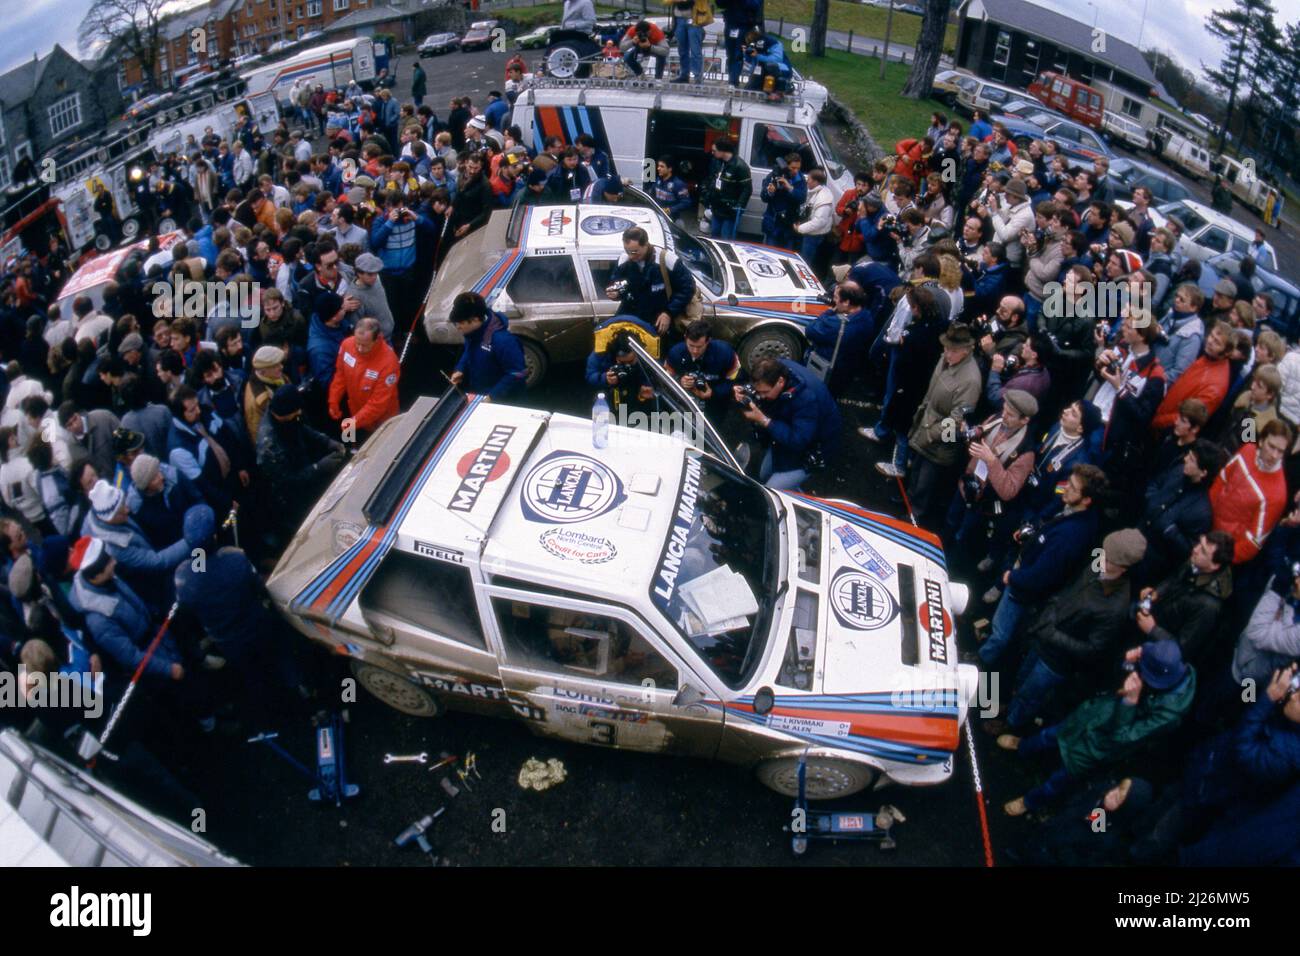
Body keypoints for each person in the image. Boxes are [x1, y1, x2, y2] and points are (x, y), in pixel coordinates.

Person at [1001, 639, 1196, 817]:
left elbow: (1123, 737)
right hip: (1091, 716)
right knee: (1049, 735)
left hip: (1098, 745)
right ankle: (1022, 746)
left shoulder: (1168, 716)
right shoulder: (1156, 660)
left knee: (1058, 780)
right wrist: (1127, 661)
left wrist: (1129, 703)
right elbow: (1111, 671)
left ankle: (1030, 801)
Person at [978, 463, 1106, 669]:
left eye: (1073, 488)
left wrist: (1012, 577)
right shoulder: (1075, 513)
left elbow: (1042, 575)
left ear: (1087, 500)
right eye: (1068, 484)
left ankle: (982, 664)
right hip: (1026, 575)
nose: (1065, 489)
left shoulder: (1071, 536)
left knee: (1001, 633)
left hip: (1023, 589)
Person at [900, 320, 981, 521]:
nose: (946, 353)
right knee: (915, 474)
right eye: (945, 348)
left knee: (925, 485)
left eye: (952, 350)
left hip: (938, 444)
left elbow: (956, 421)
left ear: (966, 350)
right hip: (926, 424)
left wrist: (930, 435)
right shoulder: (947, 359)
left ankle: (914, 518)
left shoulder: (970, 380)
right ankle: (907, 505)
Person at [256, 385, 347, 547]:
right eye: (295, 412)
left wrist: (326, 441)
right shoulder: (269, 447)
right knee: (307, 531)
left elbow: (302, 429)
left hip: (304, 471)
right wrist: (318, 468)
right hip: (291, 500)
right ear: (284, 413)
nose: (299, 414)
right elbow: (288, 481)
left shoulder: (287, 418)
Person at [735, 357, 841, 490]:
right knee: (764, 475)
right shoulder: (775, 370)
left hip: (811, 449)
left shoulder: (806, 399)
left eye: (765, 392)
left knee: (772, 491)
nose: (760, 396)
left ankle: (800, 503)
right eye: (758, 392)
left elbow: (799, 440)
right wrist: (743, 390)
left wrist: (764, 420)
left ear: (780, 382)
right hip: (789, 434)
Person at [1136, 531, 1235, 670]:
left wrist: (1153, 630)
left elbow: (1181, 649)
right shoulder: (1196, 562)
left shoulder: (1209, 607)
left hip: (1158, 655)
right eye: (1199, 543)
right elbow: (1174, 578)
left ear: (1214, 566)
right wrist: (1157, 592)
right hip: (1153, 621)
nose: (1195, 549)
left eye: (1203, 551)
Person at [1210, 419, 1292, 564]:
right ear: (1261, 441)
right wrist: (1205, 515)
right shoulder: (1247, 449)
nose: (1274, 455)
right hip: (1205, 524)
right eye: (1271, 446)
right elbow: (1221, 480)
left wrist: (1221, 557)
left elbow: (1253, 542)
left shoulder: (1278, 494)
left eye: (1280, 451)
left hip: (1220, 550)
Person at [605, 226, 696, 335]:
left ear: (646, 245)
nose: (631, 256)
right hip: (633, 319)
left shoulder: (667, 260)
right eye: (627, 251)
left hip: (661, 322)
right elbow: (618, 285)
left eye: (635, 252)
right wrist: (616, 293)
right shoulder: (623, 261)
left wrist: (669, 312)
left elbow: (687, 288)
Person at [448, 292, 528, 402]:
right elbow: (468, 351)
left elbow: (518, 373)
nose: (457, 327)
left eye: (460, 323)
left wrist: (492, 396)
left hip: (504, 401)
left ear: (475, 319)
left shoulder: (504, 341)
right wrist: (460, 369)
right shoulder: (472, 333)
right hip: (479, 393)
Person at [328, 318, 400, 438]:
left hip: (382, 421)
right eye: (357, 343)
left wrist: (353, 422)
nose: (360, 349)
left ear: (377, 339)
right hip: (356, 411)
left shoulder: (388, 363)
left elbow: (378, 403)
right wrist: (333, 400)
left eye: (365, 345)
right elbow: (340, 375)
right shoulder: (347, 345)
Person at [803, 282, 873, 396]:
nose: (833, 300)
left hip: (825, 371)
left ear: (846, 302)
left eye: (835, 298)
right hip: (847, 371)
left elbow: (810, 330)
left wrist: (829, 311)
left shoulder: (835, 325)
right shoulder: (867, 317)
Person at [664, 319, 741, 417]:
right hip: (685, 402)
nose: (695, 351)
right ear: (685, 338)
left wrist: (714, 393)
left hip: (716, 403)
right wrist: (680, 381)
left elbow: (737, 382)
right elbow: (666, 379)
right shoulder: (675, 353)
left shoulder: (726, 353)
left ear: (708, 341)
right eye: (691, 346)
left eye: (699, 347)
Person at [700, 137, 751, 240]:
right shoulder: (718, 162)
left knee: (725, 238)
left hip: (730, 210)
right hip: (717, 207)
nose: (712, 153)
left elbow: (747, 189)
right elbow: (713, 180)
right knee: (714, 235)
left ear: (723, 151)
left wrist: (738, 207)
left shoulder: (740, 166)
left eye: (714, 151)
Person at [758, 153, 806, 249]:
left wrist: (789, 188)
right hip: (774, 222)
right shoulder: (773, 175)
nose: (796, 171)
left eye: (798, 168)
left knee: (787, 256)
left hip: (789, 223)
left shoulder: (800, 179)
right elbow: (764, 197)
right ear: (785, 165)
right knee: (770, 252)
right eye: (793, 168)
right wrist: (770, 192)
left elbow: (802, 198)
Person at [741, 29, 793, 94]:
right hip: (761, 72)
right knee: (749, 90)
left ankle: (781, 88)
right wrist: (746, 53)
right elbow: (750, 62)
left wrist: (758, 56)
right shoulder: (753, 45)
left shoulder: (772, 43)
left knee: (770, 66)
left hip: (780, 71)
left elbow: (777, 59)